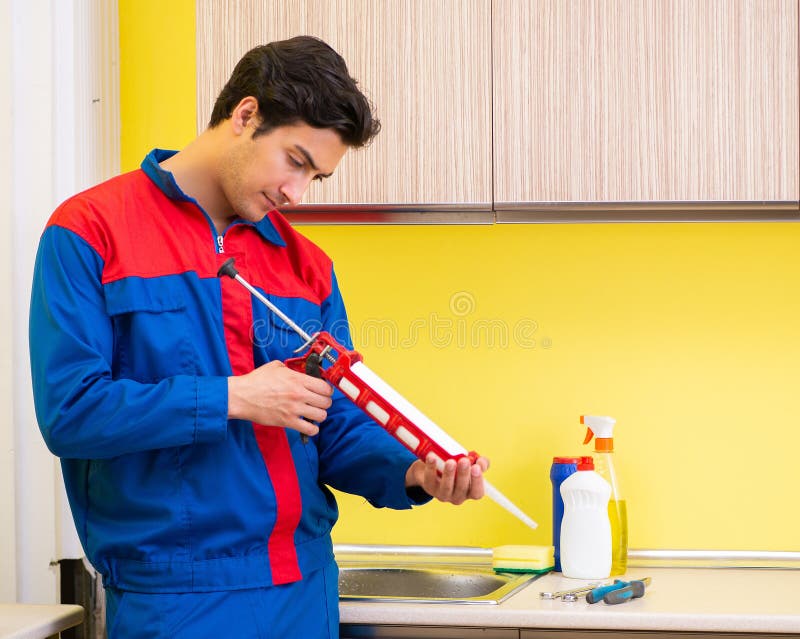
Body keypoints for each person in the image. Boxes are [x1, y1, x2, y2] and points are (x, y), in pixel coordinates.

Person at [29, 36, 488, 638]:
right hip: (172, 601)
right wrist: (233, 398)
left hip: (302, 594)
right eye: (295, 161)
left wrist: (413, 472)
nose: (296, 194)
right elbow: (72, 413)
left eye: (315, 177)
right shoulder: (90, 231)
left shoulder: (308, 266)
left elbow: (336, 427)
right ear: (245, 116)